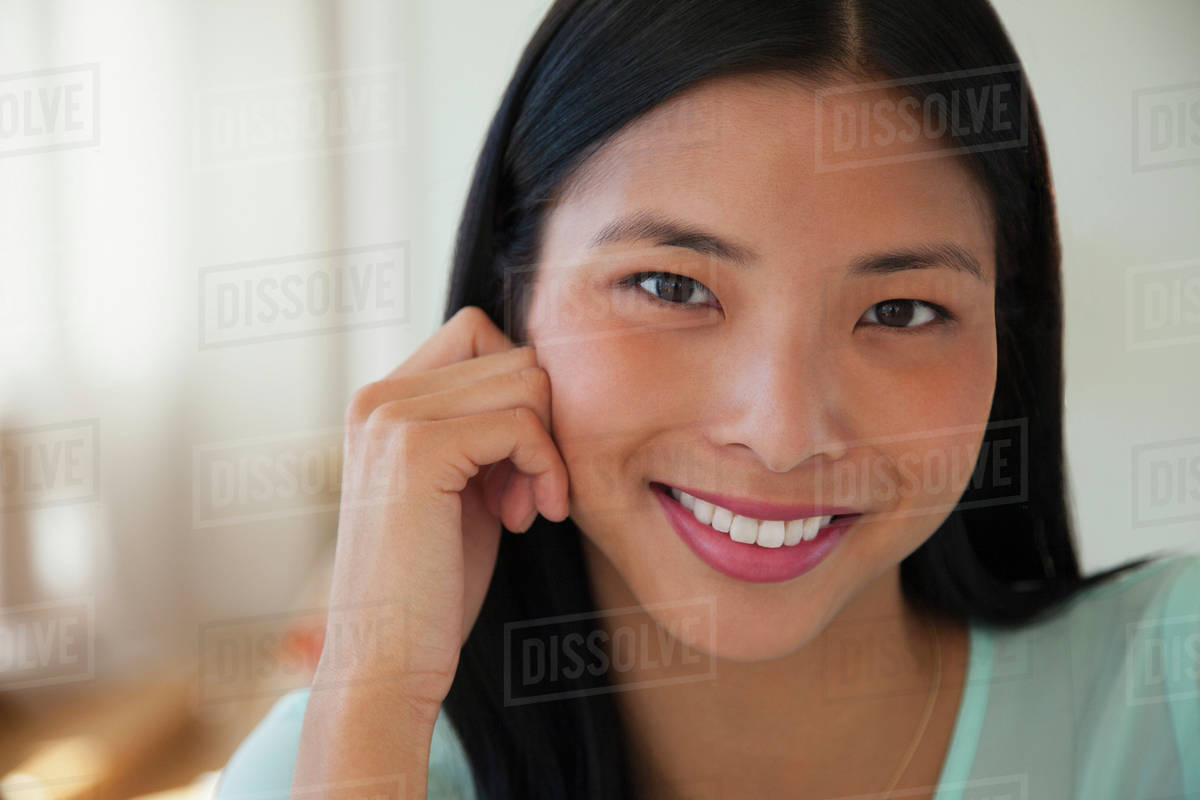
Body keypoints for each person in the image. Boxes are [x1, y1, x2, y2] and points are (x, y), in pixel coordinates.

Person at [216, 1, 1200, 798]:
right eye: (674, 287)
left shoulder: (1174, 689)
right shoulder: (340, 761)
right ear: (512, 296)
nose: (779, 432)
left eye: (900, 309)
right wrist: (375, 691)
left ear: (1006, 328)